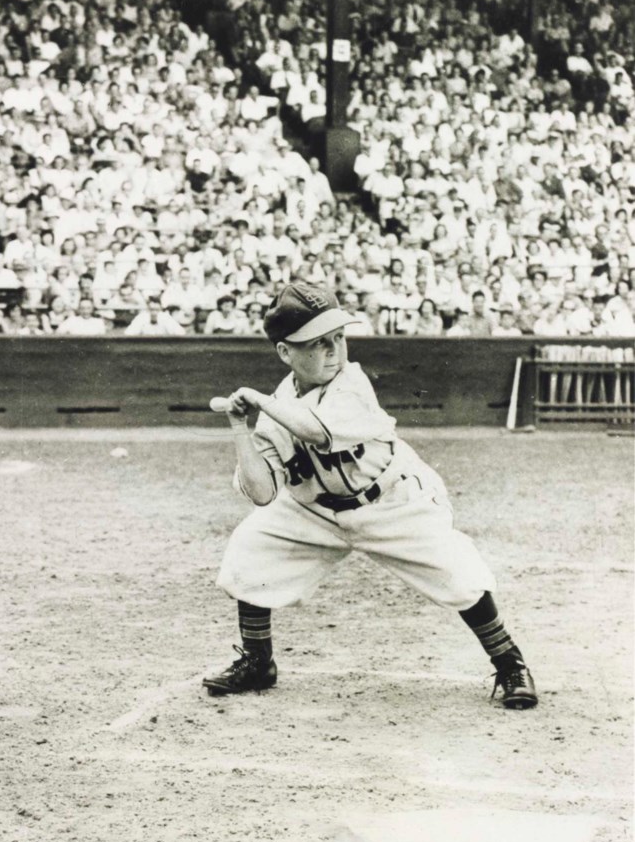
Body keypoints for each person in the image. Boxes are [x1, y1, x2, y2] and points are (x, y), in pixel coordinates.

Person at [207, 283, 537, 709]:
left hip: (391, 500)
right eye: (317, 343)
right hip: (314, 510)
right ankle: (257, 661)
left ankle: (511, 665)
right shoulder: (274, 412)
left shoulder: (352, 383)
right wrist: (241, 429)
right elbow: (262, 493)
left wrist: (261, 402)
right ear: (286, 352)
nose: (333, 351)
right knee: (249, 549)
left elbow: (318, 432)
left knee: (458, 573)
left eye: (338, 338)